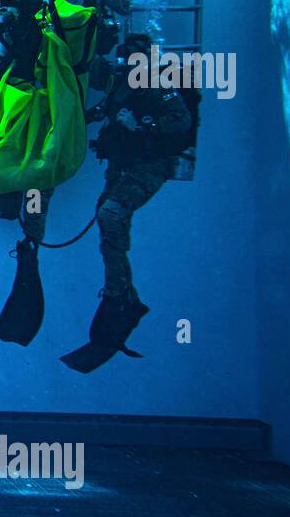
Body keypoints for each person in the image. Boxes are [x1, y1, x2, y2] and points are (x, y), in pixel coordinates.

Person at [60, 33, 198, 373]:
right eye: (122, 61)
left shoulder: (159, 84)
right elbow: (100, 111)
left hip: (149, 167)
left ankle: (117, 293)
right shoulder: (121, 85)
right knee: (107, 220)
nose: (125, 67)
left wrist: (142, 126)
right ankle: (125, 295)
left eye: (131, 61)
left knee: (110, 215)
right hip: (122, 167)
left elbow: (181, 119)